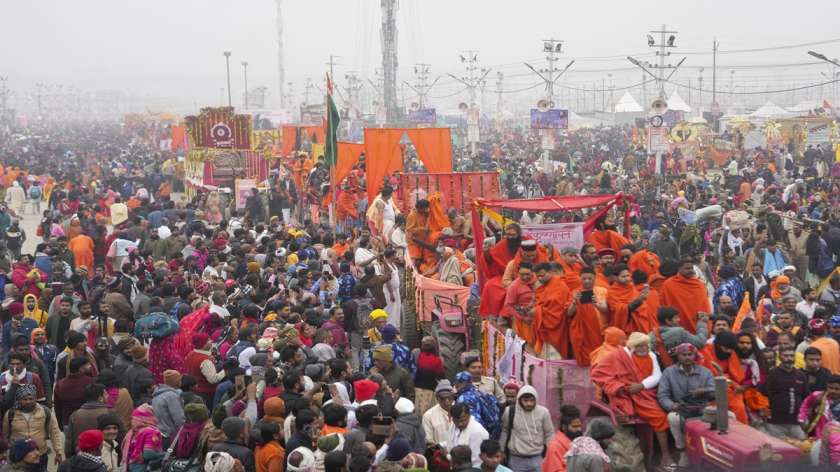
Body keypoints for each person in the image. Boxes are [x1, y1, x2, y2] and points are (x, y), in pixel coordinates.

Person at [590, 331, 674, 466]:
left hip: (646, 392)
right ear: (632, 346)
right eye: (639, 346)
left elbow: (657, 376)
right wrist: (620, 386)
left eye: (645, 346)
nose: (643, 349)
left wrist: (641, 385)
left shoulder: (651, 355)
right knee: (659, 416)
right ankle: (666, 455)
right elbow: (598, 373)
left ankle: (669, 450)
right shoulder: (618, 356)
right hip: (626, 393)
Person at [657, 343, 715, 467]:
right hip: (681, 409)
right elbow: (663, 396)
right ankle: (682, 452)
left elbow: (714, 393)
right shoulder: (669, 372)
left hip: (702, 408)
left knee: (729, 416)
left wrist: (704, 391)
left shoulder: (706, 372)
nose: (687, 357)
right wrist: (672, 405)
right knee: (673, 418)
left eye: (690, 354)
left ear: (695, 356)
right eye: (684, 355)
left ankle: (711, 453)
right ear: (678, 356)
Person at [1, 384, 63, 469]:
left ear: (35, 398)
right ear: (19, 400)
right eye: (25, 399)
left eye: (31, 399)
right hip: (19, 458)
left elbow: (54, 432)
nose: (28, 401)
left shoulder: (45, 411)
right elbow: (5, 435)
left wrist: (58, 452)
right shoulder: (10, 414)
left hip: (40, 456)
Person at [498, 385, 553, 472]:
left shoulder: (543, 412)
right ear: (519, 399)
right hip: (516, 459)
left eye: (532, 400)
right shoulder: (510, 411)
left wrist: (550, 454)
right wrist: (501, 450)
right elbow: (504, 431)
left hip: (537, 458)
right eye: (526, 401)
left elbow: (549, 434)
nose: (529, 403)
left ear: (536, 399)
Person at [700, 331, 748, 423]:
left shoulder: (730, 352)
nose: (729, 352)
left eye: (731, 349)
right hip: (710, 389)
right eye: (726, 348)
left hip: (730, 389)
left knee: (739, 408)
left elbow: (738, 376)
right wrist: (729, 381)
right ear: (717, 345)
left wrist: (735, 385)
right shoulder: (705, 351)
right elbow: (711, 375)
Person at [762, 346, 807, 439]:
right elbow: (766, 393)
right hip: (776, 422)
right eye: (786, 356)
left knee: (802, 446)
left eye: (791, 356)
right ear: (780, 357)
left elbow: (805, 396)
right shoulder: (773, 373)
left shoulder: (800, 375)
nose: (789, 358)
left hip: (795, 421)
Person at [659, 257, 712, 333]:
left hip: (699, 326)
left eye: (691, 268)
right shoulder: (668, 285)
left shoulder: (699, 285)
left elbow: (705, 307)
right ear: (679, 269)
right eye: (687, 268)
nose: (690, 270)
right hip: (679, 327)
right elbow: (663, 304)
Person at [64, 383, 110, 458]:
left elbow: (69, 441)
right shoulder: (109, 413)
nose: (108, 396)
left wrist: (69, 458)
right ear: (100, 398)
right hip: (104, 457)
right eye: (105, 394)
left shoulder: (75, 415)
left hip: (80, 457)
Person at [54, 357, 96, 428]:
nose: (90, 366)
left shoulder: (60, 384)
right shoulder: (90, 382)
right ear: (81, 368)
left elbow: (57, 406)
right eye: (87, 365)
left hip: (67, 422)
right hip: (87, 421)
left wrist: (60, 423)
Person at [122, 405, 163, 472]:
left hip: (131, 465)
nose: (133, 421)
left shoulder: (133, 431)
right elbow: (148, 454)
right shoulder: (150, 431)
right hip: (144, 467)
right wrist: (165, 454)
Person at [542, 405, 583, 472]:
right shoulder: (554, 446)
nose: (579, 429)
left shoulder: (581, 442)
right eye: (575, 426)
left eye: (580, 426)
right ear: (564, 427)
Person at [447, 403, 488, 467]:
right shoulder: (452, 425)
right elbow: (451, 444)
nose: (459, 424)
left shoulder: (477, 431)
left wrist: (447, 456)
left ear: (469, 415)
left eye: (462, 421)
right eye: (456, 421)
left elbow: (475, 460)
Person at [150, 370, 185, 446]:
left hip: (159, 433)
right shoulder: (172, 396)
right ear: (176, 382)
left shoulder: (157, 394)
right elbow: (179, 419)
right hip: (170, 436)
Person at [422, 380, 455, 448]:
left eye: (449, 397)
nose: (447, 401)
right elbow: (429, 441)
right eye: (443, 398)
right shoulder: (428, 416)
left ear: (453, 396)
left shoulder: (461, 411)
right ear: (437, 398)